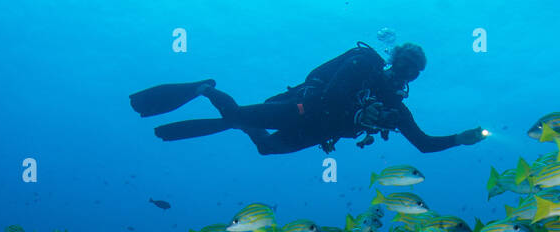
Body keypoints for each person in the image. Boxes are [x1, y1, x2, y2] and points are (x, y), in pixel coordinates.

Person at [129, 42, 485, 155]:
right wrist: (362, 113)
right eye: (404, 63)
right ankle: (202, 88)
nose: (405, 72)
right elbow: (329, 92)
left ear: (415, 77)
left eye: (413, 71)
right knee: (235, 114)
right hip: (299, 108)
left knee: (265, 149)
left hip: (319, 133)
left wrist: (460, 139)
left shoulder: (395, 108)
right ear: (393, 58)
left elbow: (423, 144)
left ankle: (240, 125)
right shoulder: (364, 65)